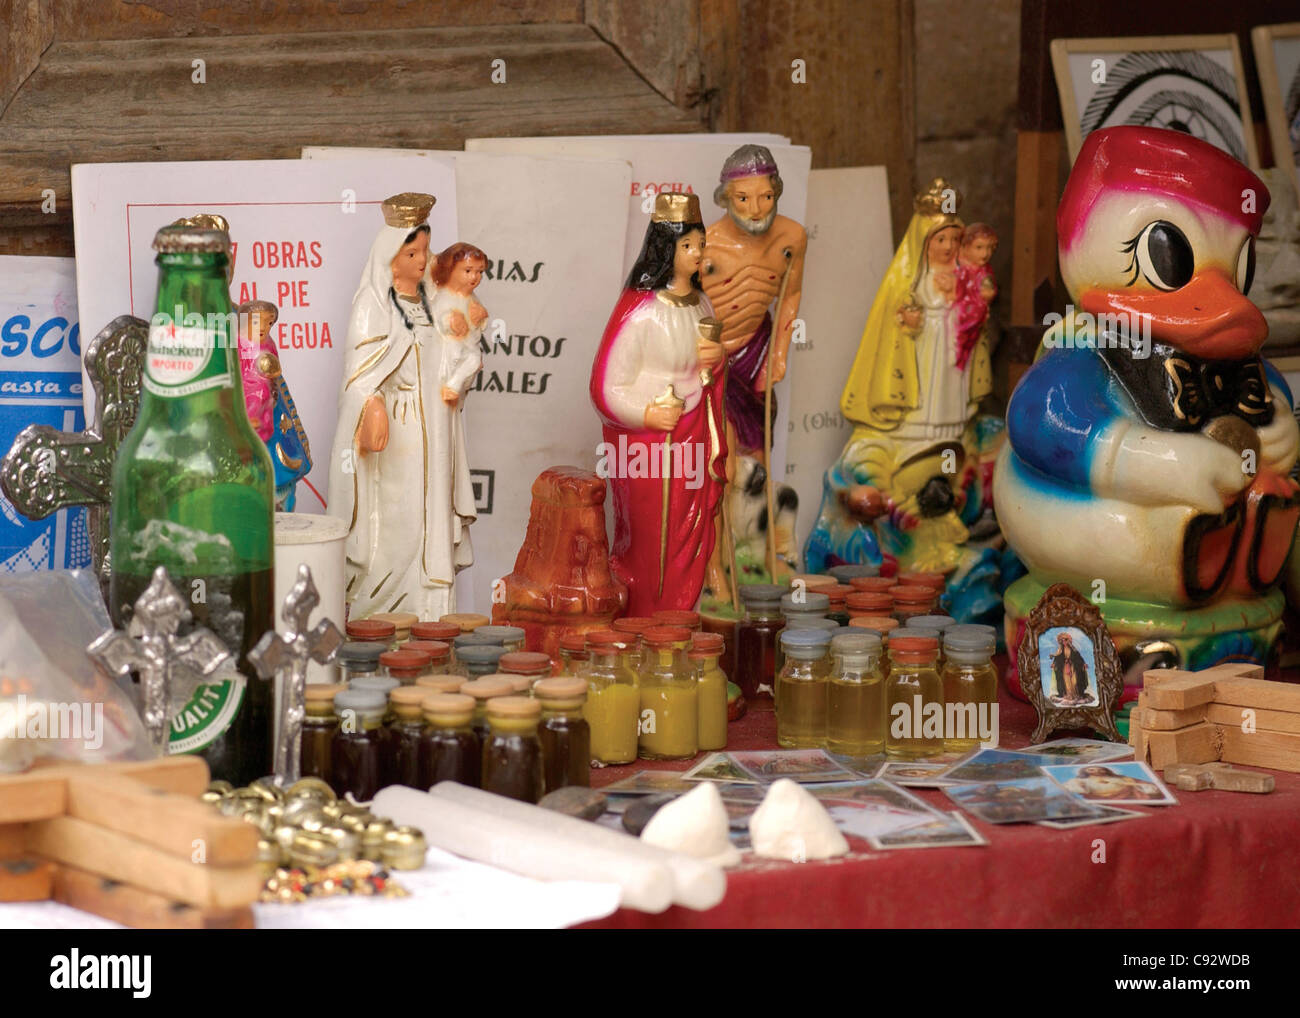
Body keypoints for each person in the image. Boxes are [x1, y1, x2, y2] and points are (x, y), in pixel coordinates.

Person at [328, 192, 477, 620]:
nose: (419, 260)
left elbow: (456, 352)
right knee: (396, 520)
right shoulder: (372, 305)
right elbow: (357, 376)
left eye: (424, 251)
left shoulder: (435, 303)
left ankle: (428, 611)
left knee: (431, 518)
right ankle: (377, 611)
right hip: (396, 431)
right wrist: (370, 404)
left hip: (436, 431)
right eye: (410, 251)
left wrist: (457, 378)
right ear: (390, 257)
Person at [589, 192, 727, 614]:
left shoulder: (702, 303)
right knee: (650, 540)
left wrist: (716, 362)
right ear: (665, 250)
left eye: (700, 245)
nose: (696, 254)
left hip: (693, 442)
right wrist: (647, 413)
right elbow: (605, 387)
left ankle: (680, 622)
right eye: (687, 246)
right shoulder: (640, 311)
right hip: (650, 451)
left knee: (694, 533)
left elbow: (708, 378)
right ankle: (645, 621)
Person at [1049, 631, 1092, 705]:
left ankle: (1076, 694)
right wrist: (1054, 663)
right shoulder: (1060, 650)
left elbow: (1078, 657)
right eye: (1062, 640)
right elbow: (1057, 658)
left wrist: (1083, 664)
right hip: (1064, 668)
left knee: (1075, 680)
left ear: (1068, 640)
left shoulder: (1073, 649)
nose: (1064, 642)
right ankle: (1068, 695)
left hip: (1073, 667)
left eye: (1065, 640)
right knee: (1066, 681)